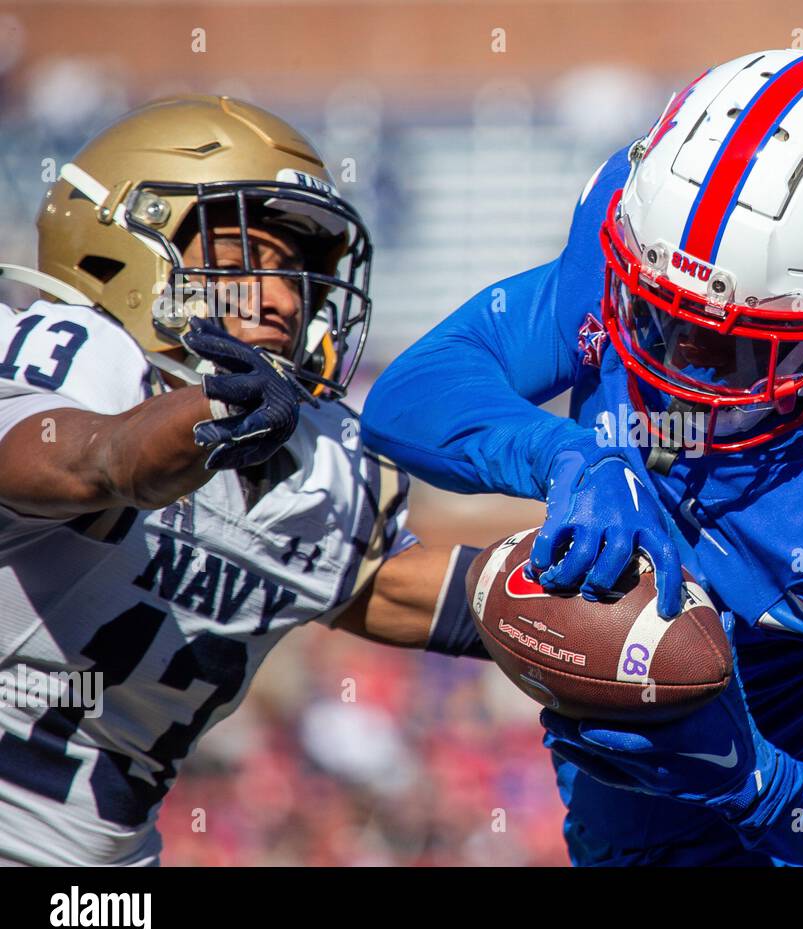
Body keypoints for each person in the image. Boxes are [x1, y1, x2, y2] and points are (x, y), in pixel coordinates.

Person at [362, 50, 803, 866]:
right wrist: (572, 457)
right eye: (652, 313)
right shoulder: (650, 240)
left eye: (732, 347)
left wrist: (758, 784)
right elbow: (410, 397)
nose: (672, 367)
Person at [0, 95, 483, 866]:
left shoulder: (318, 467)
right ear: (117, 251)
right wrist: (198, 417)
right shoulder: (67, 357)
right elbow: (89, 458)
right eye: (237, 265)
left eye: (298, 273)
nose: (285, 298)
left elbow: (425, 593)